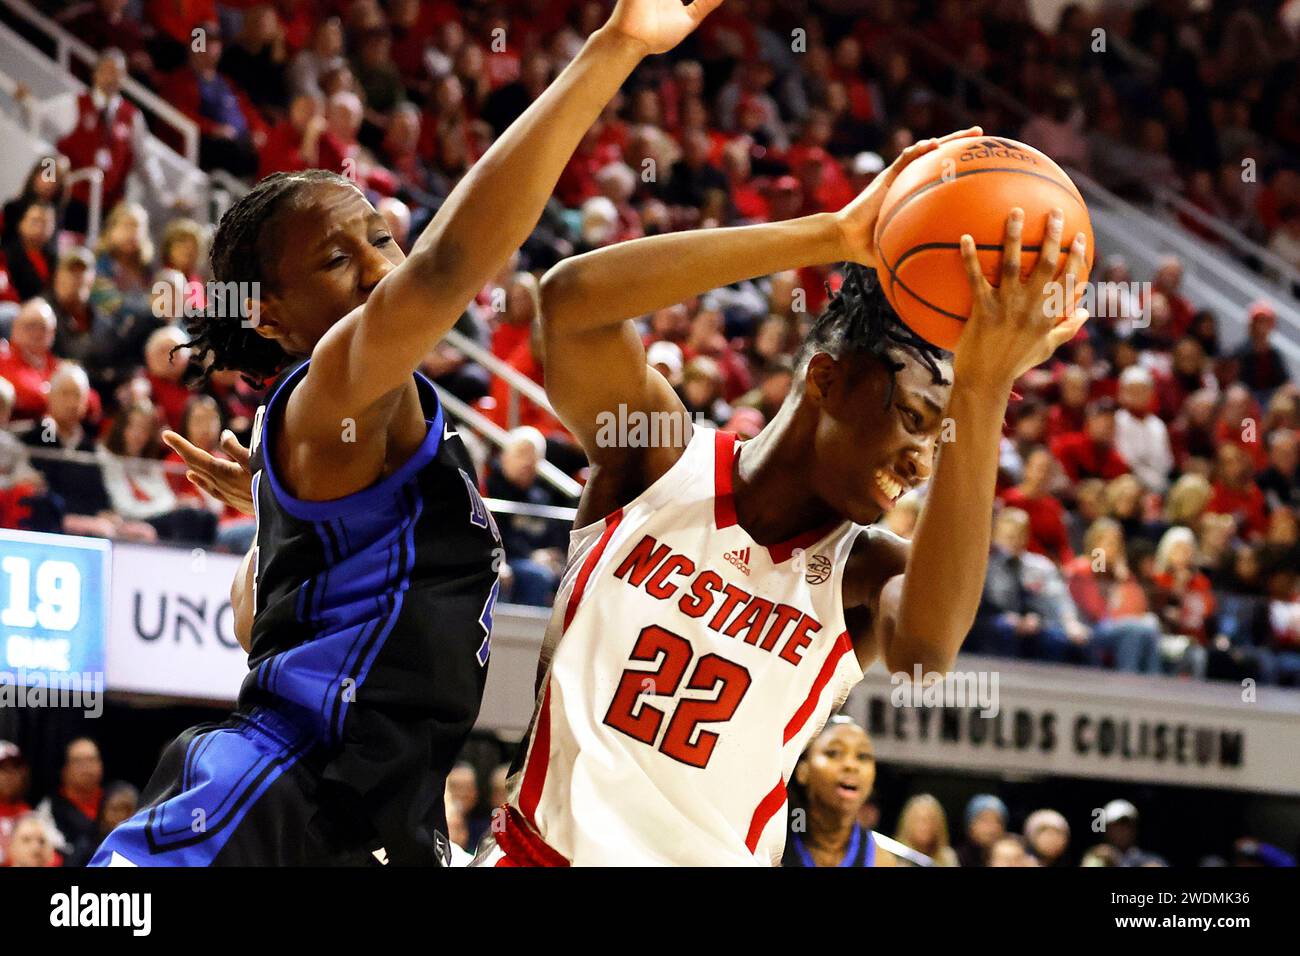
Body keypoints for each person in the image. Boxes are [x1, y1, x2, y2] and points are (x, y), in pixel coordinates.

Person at [94, 0, 729, 869]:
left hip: (382, 819)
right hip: (267, 800)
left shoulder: (349, 431)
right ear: (271, 316)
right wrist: (613, 48)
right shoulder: (330, 391)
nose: (377, 269)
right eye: (334, 259)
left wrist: (283, 515)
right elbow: (448, 265)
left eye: (380, 238)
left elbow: (257, 631)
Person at [476, 123, 1091, 865]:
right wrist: (831, 233)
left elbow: (927, 651)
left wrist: (985, 391)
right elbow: (570, 301)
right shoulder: (659, 457)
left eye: (943, 438)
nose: (925, 461)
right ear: (827, 380)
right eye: (918, 420)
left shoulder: (869, 574)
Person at [970, 507, 1089, 663]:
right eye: (1009, 537)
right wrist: (1012, 619)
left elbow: (1058, 598)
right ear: (994, 536)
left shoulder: (1041, 566)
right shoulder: (986, 565)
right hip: (995, 621)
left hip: (1038, 623)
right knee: (1003, 629)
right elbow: (983, 604)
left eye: (1020, 535)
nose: (1014, 542)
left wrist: (1070, 623)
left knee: (1061, 638)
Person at [782, 716, 896, 867]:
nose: (851, 765)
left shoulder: (881, 861)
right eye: (834, 753)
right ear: (802, 770)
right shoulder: (770, 849)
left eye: (862, 756)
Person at [35, 737, 103, 868]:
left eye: (91, 759)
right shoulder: (49, 808)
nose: (86, 767)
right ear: (64, 769)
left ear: (101, 765)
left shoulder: (115, 802)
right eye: (78, 761)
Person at [894, 793, 959, 866]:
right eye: (919, 820)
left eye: (930, 820)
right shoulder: (895, 856)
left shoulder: (948, 857)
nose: (925, 827)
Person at [957, 794, 1008, 867]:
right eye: (984, 820)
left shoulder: (1010, 858)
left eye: (998, 821)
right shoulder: (955, 859)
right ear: (970, 826)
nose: (992, 827)